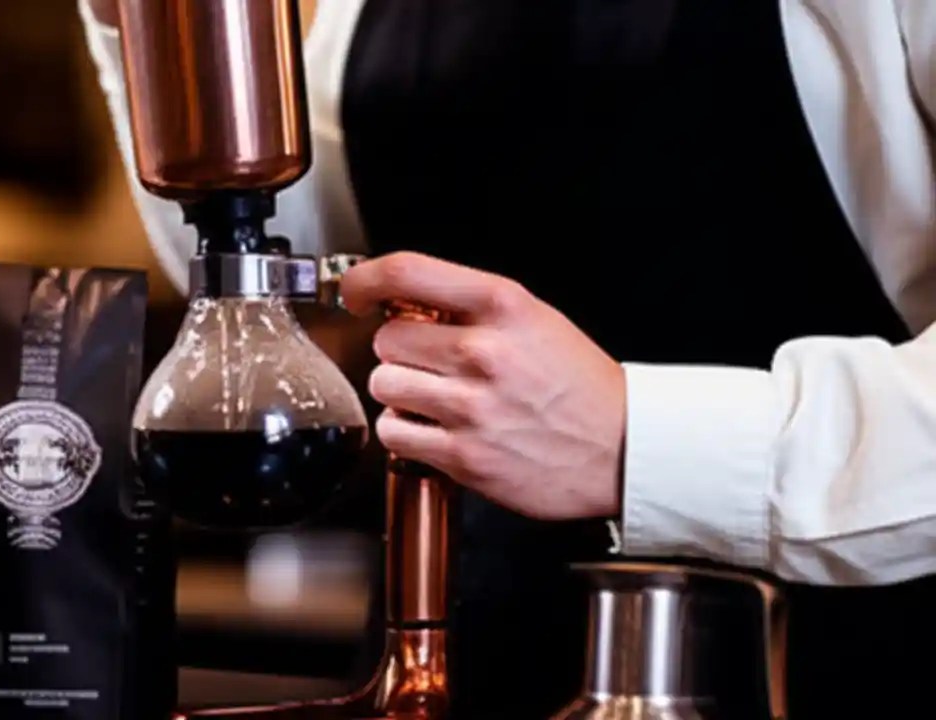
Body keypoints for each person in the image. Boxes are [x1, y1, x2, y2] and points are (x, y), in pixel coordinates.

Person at [80, 0, 936, 716]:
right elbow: (299, 245)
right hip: (453, 656)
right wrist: (165, 53)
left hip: (819, 662)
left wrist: (638, 439)